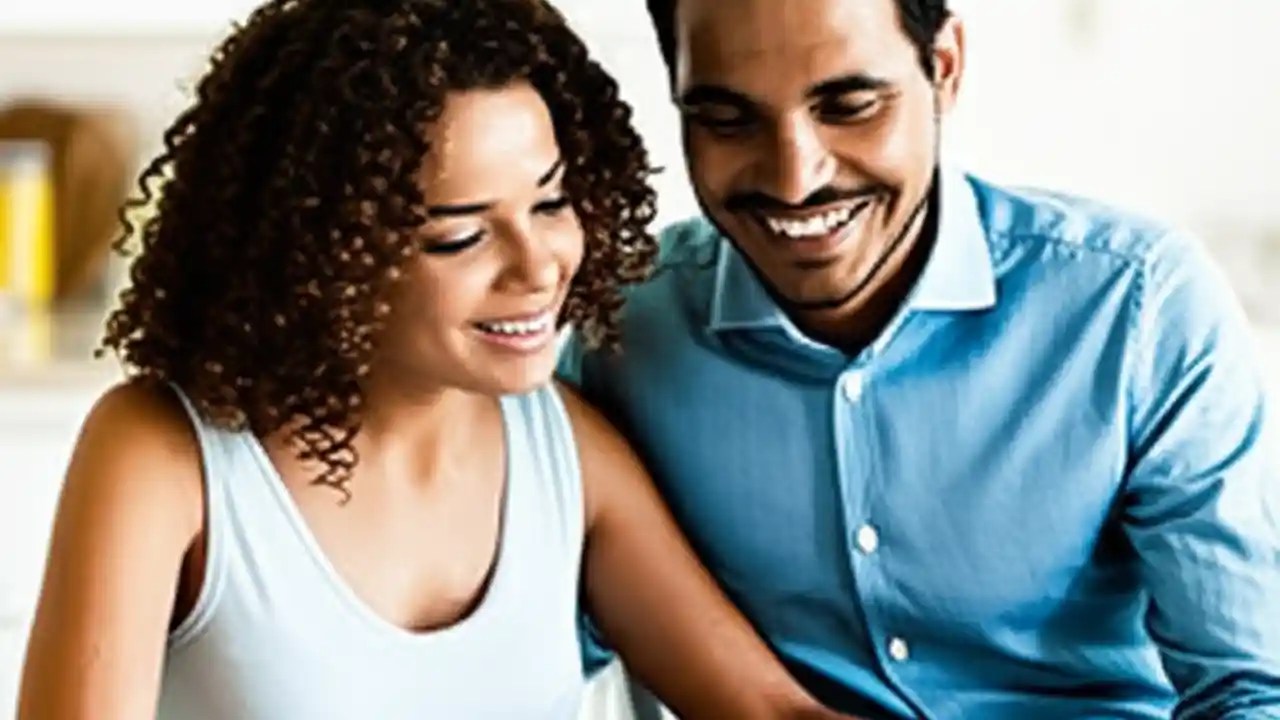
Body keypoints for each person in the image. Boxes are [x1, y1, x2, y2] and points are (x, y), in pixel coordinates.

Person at [16, 1, 859, 718]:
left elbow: (765, 709)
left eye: (553, 202)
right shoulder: (165, 456)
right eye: (460, 235)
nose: (539, 268)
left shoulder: (562, 446)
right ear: (327, 246)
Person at [559, 0, 1280, 718]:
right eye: (726, 119)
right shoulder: (620, 335)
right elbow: (536, 646)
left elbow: (1250, 692)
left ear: (944, 67)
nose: (794, 178)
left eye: (849, 106)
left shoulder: (1137, 308)